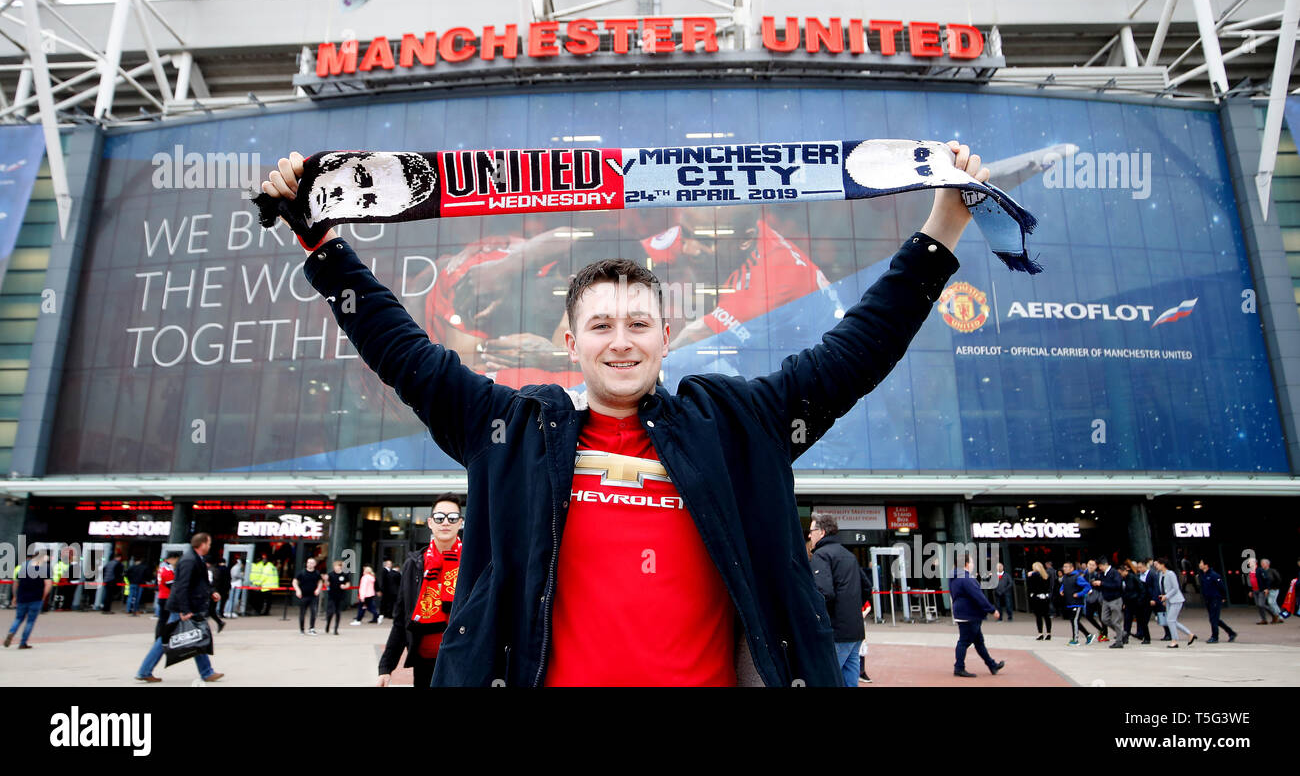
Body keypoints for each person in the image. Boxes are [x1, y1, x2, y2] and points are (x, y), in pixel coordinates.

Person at [268, 140, 989, 686]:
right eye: (602, 325)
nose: (621, 342)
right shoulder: (513, 435)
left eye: (639, 324)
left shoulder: (737, 430)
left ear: (665, 336)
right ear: (572, 342)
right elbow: (405, 354)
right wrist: (325, 251)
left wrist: (944, 227)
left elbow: (854, 353)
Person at [377, 495, 464, 688]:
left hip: (464, 660)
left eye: (452, 517)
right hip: (425, 662)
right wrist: (386, 667)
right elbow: (401, 619)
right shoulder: (415, 563)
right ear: (430, 523)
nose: (445, 523)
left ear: (461, 522)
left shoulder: (472, 562)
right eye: (440, 517)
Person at [135, 534, 223, 682]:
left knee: (196, 636)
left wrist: (211, 591)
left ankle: (207, 672)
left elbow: (199, 582)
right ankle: (144, 671)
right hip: (183, 607)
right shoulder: (190, 560)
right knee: (168, 639)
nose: (210, 546)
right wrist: (184, 609)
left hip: (190, 605)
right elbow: (182, 586)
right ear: (202, 544)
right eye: (208, 543)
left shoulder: (196, 559)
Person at [809, 513, 865, 687]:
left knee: (825, 678)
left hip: (836, 631)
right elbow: (867, 587)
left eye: (812, 531)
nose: (809, 535)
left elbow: (824, 592)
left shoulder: (821, 555)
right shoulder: (848, 555)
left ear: (822, 532)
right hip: (855, 630)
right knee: (850, 680)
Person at [949, 555, 1005, 678]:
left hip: (962, 612)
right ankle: (959, 667)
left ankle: (992, 665)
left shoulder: (954, 577)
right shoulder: (966, 578)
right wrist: (992, 610)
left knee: (978, 642)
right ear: (966, 564)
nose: (973, 564)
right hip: (970, 613)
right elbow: (978, 596)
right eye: (972, 562)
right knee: (964, 641)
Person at [5, 550, 51, 649]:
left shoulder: (24, 566)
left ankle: (11, 632)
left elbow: (16, 582)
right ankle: (23, 643)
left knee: (18, 618)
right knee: (30, 621)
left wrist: (15, 596)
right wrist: (43, 596)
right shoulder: (45, 568)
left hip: (22, 597)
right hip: (36, 598)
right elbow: (48, 584)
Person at [1154, 557, 1195, 648]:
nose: (1156, 566)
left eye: (1157, 564)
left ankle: (1174, 640)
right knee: (1172, 621)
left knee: (1170, 620)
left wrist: (1166, 596)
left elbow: (1176, 588)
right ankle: (1190, 634)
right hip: (1168, 600)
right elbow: (1162, 587)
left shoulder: (1170, 573)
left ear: (1163, 564)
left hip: (1176, 600)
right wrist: (1164, 597)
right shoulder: (1161, 574)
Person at [1197, 560, 1237, 644]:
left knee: (1213, 619)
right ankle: (1231, 633)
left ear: (1206, 565)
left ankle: (1215, 636)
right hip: (1208, 599)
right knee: (1215, 619)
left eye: (1201, 563)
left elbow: (1221, 586)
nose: (1199, 565)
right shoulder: (1203, 575)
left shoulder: (1214, 575)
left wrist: (1223, 597)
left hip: (1215, 599)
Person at [1091, 558, 1125, 648]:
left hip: (1115, 598)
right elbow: (1102, 585)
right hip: (1106, 599)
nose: (1100, 568)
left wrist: (1102, 583)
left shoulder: (1114, 573)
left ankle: (1119, 641)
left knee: (1115, 620)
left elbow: (1117, 585)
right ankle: (1121, 633)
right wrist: (1096, 584)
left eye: (1100, 566)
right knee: (1104, 619)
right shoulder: (1102, 574)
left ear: (1105, 564)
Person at [1059, 560, 1093, 645]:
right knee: (1074, 621)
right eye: (1064, 567)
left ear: (1072, 568)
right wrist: (1061, 590)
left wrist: (1079, 594)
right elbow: (1063, 584)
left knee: (1074, 620)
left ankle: (1075, 639)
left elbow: (1087, 586)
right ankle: (1088, 635)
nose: (1064, 569)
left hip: (1077, 603)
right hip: (1069, 602)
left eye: (1066, 567)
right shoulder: (1065, 577)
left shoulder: (1077, 577)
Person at [294, 557, 323, 636]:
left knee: (314, 612)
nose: (310, 564)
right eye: (308, 562)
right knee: (302, 613)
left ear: (315, 564)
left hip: (313, 596)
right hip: (304, 596)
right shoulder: (302, 573)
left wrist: (318, 589)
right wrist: (297, 590)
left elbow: (320, 582)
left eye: (312, 563)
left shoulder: (317, 573)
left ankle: (312, 628)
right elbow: (295, 581)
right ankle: (302, 629)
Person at [1027, 561, 1052, 640]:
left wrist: (1030, 575)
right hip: (1045, 598)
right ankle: (1048, 633)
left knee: (1038, 616)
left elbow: (1030, 587)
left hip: (1037, 598)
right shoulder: (1046, 576)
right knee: (1046, 616)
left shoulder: (1033, 576)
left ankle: (1040, 633)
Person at [325, 560, 351, 635]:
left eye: (338, 566)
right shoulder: (331, 574)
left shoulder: (344, 575)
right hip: (332, 595)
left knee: (338, 612)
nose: (336, 568)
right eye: (335, 566)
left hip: (340, 596)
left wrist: (345, 586)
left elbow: (348, 583)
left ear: (340, 567)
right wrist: (326, 580)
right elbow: (327, 585)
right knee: (330, 612)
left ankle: (336, 629)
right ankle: (328, 624)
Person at [208, 557, 230, 633]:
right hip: (220, 591)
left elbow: (211, 582)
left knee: (209, 610)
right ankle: (220, 619)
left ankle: (219, 621)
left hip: (213, 592)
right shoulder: (219, 570)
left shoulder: (211, 571)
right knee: (211, 610)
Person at [155, 551, 178, 619]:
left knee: (163, 619)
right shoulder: (167, 569)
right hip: (167, 596)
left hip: (162, 594)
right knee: (169, 618)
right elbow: (170, 585)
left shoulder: (162, 568)